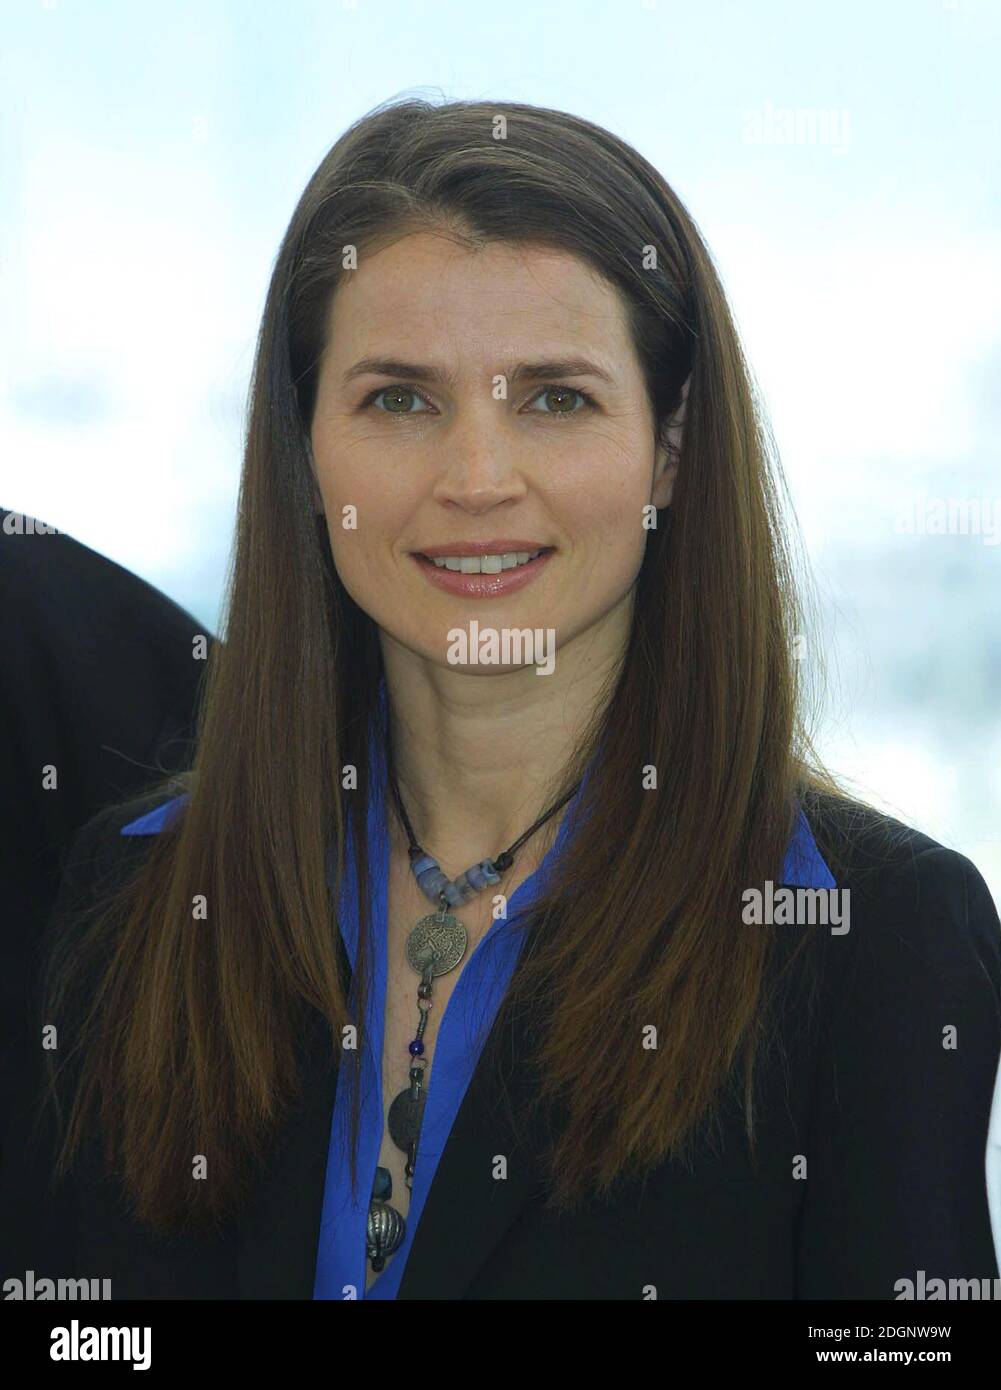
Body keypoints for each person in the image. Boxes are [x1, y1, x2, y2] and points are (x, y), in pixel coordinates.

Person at [3, 96, 999, 1302]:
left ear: (669, 451)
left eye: (555, 398)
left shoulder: (874, 940)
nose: (476, 478)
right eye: (400, 400)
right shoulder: (141, 886)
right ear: (303, 451)